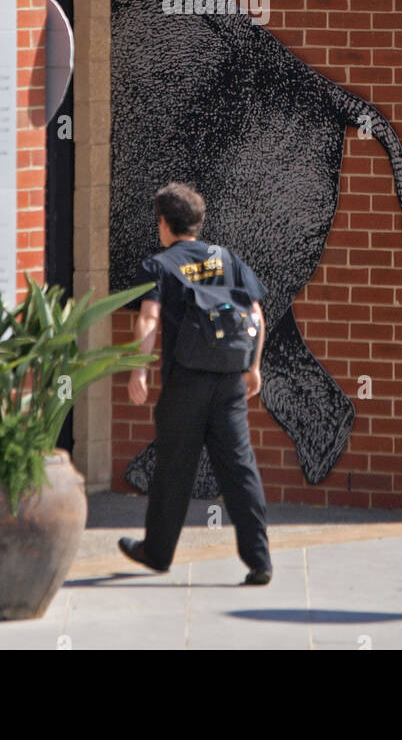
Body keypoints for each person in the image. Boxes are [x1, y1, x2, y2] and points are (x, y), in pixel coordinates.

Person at [118, 182, 274, 585]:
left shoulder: (159, 265)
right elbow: (256, 314)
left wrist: (139, 369)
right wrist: (253, 366)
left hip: (185, 383)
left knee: (173, 469)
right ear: (198, 224)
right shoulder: (228, 258)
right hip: (229, 383)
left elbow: (149, 319)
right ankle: (260, 561)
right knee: (240, 469)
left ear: (165, 224)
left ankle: (157, 553)